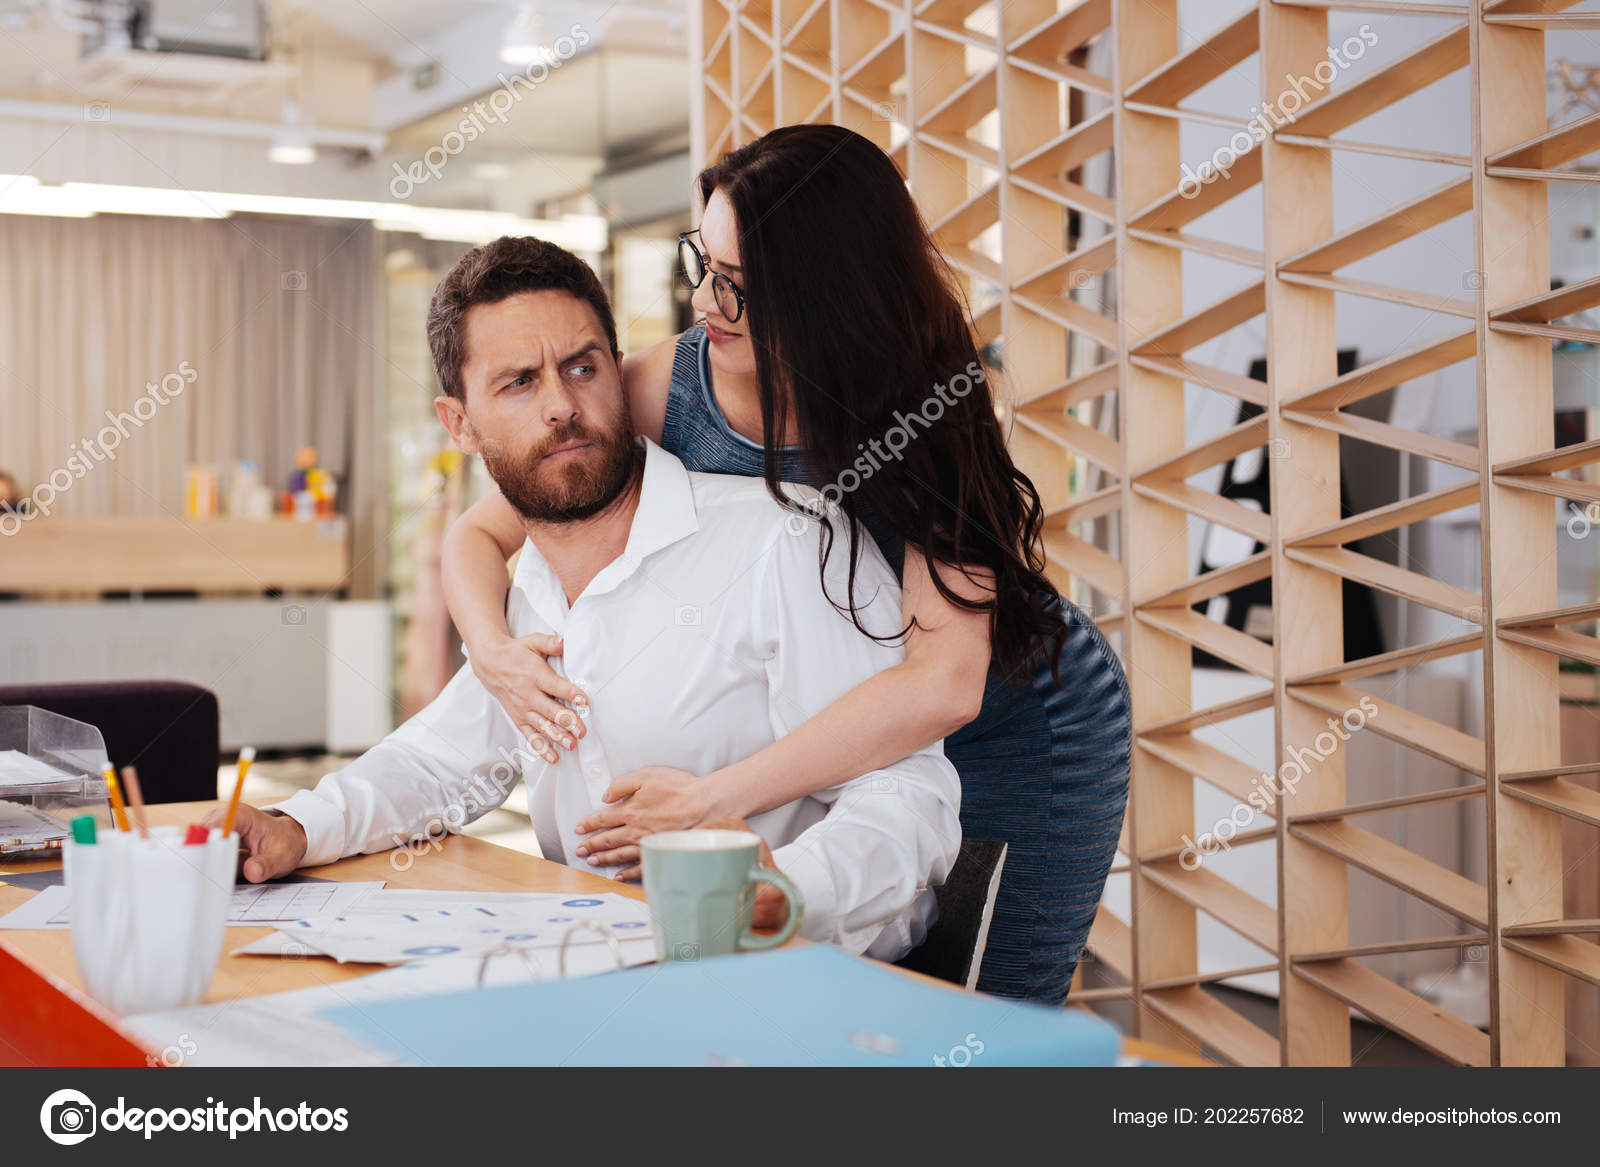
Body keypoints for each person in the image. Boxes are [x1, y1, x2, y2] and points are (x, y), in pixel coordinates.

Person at [441, 125, 1132, 1004]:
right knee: (821, 1001)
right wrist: (493, 649)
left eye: (737, 286)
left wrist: (714, 799)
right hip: (854, 735)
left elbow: (945, 684)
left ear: (823, 292)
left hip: (1016, 719)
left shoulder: (921, 401)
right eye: (703, 262)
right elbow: (481, 532)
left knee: (975, 1028)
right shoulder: (670, 385)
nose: (704, 304)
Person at [216, 236, 961, 960]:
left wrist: (784, 890)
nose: (561, 406)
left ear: (619, 373)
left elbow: (908, 790)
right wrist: (296, 827)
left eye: (581, 367)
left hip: (780, 980)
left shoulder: (784, 542)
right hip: (596, 979)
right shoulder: (530, 593)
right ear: (460, 425)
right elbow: (441, 763)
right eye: (519, 382)